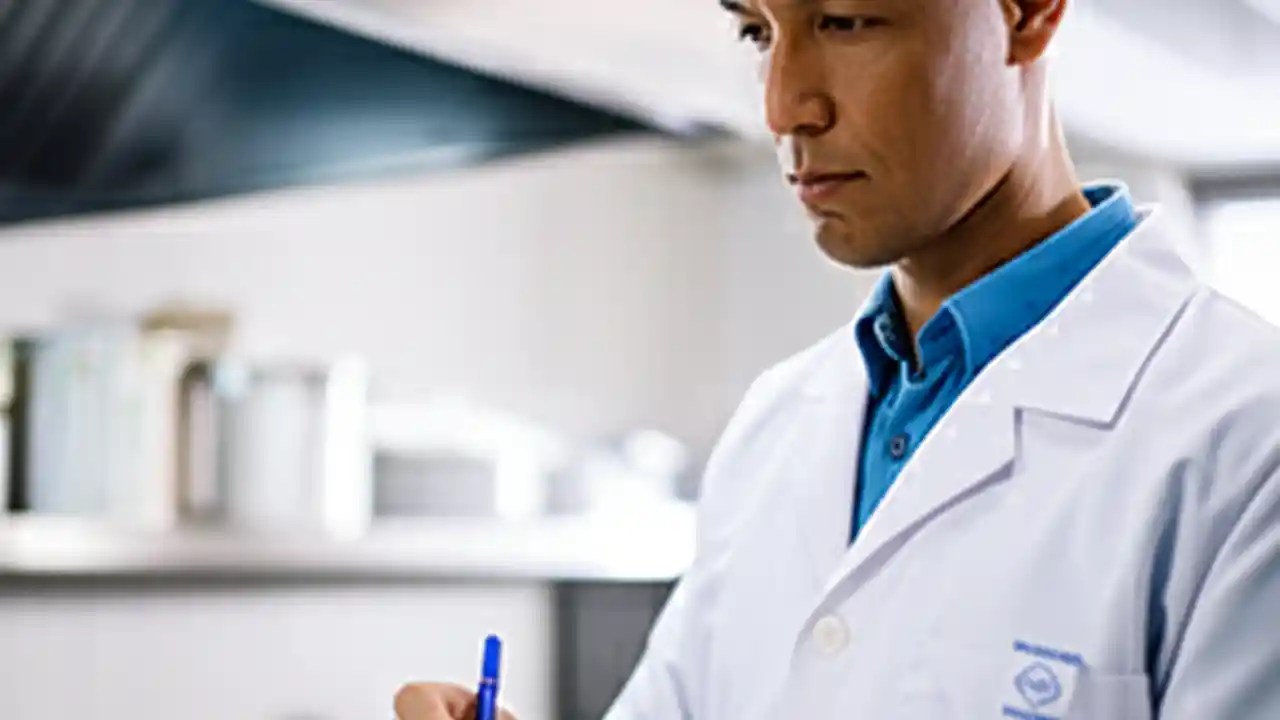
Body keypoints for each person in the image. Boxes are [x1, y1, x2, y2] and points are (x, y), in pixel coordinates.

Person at [395, 0, 1280, 717]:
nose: (784, 108)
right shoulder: (777, 423)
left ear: (1029, 12)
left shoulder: (1244, 439)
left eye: (847, 22)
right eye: (758, 31)